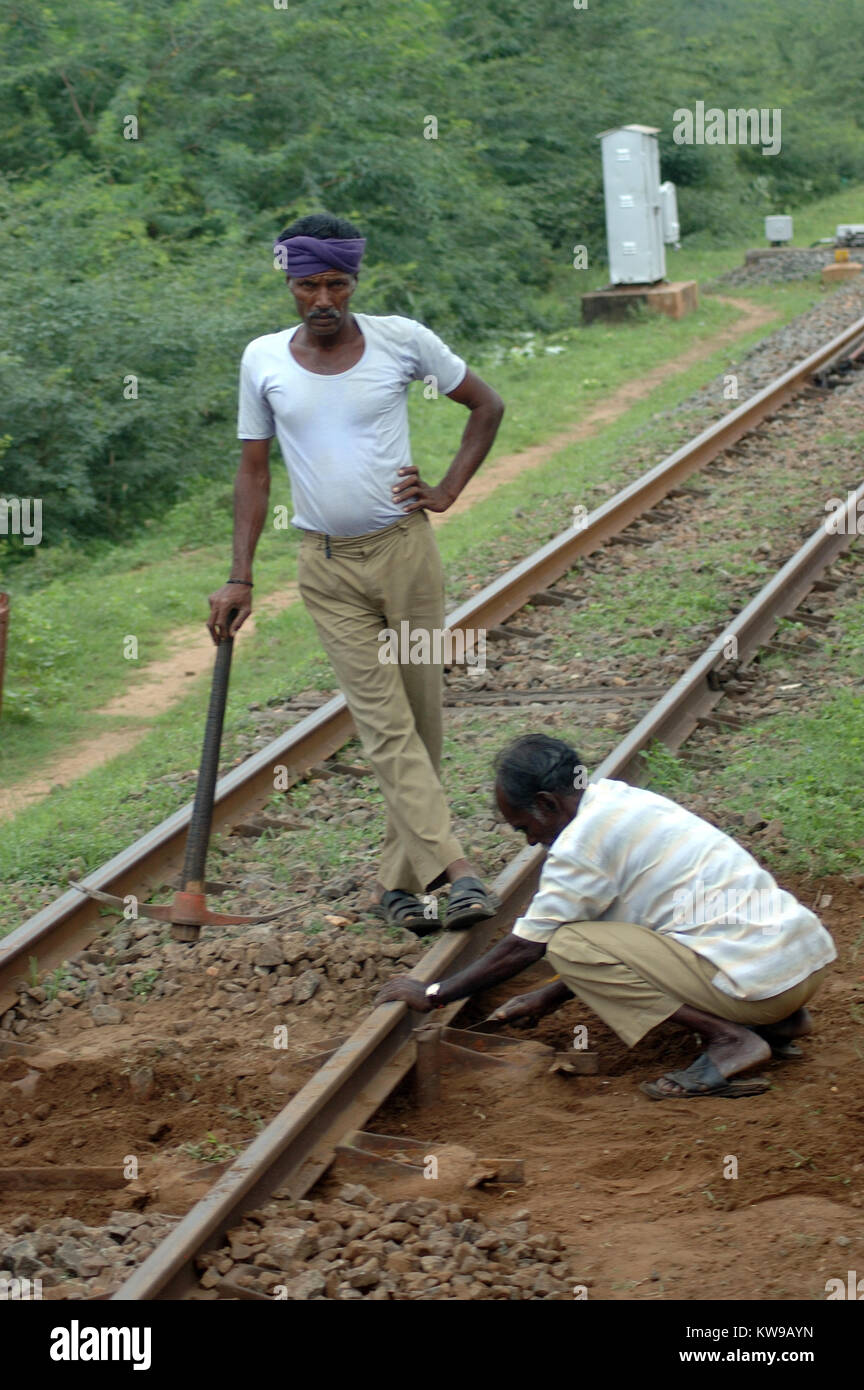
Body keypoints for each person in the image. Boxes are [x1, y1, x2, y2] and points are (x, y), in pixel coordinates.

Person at [208, 214, 504, 933]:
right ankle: (457, 873)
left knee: (421, 723)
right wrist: (240, 576)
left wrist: (449, 489)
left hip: (406, 555)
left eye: (336, 282)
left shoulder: (401, 339)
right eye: (308, 284)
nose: (322, 298)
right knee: (383, 726)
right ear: (289, 284)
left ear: (354, 281)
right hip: (326, 568)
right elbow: (253, 472)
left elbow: (486, 405)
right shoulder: (263, 360)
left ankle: (397, 886)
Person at [375, 733, 836, 1099]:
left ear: (549, 803)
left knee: (567, 944)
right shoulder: (619, 801)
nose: (530, 842)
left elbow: (525, 947)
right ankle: (779, 1022)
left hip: (760, 985)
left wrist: (435, 992)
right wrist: (550, 997)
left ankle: (732, 1039)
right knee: (584, 941)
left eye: (525, 827)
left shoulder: (580, 847)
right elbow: (637, 934)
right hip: (797, 970)